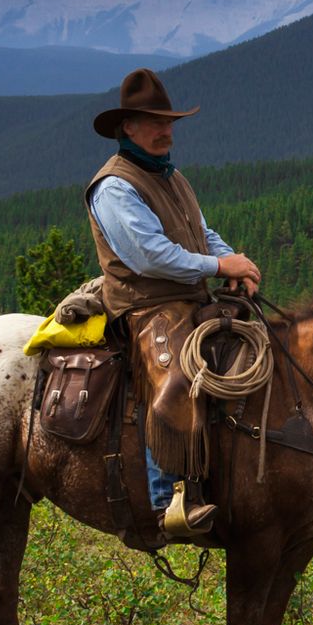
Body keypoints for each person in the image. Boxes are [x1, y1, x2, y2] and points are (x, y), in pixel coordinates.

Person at [84, 68, 260, 540]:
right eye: (154, 123)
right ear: (127, 128)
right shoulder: (115, 186)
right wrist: (221, 269)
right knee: (177, 373)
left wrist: (232, 261)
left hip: (188, 295)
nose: (166, 131)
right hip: (145, 305)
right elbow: (149, 255)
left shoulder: (172, 176)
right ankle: (169, 501)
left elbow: (203, 234)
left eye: (170, 123)